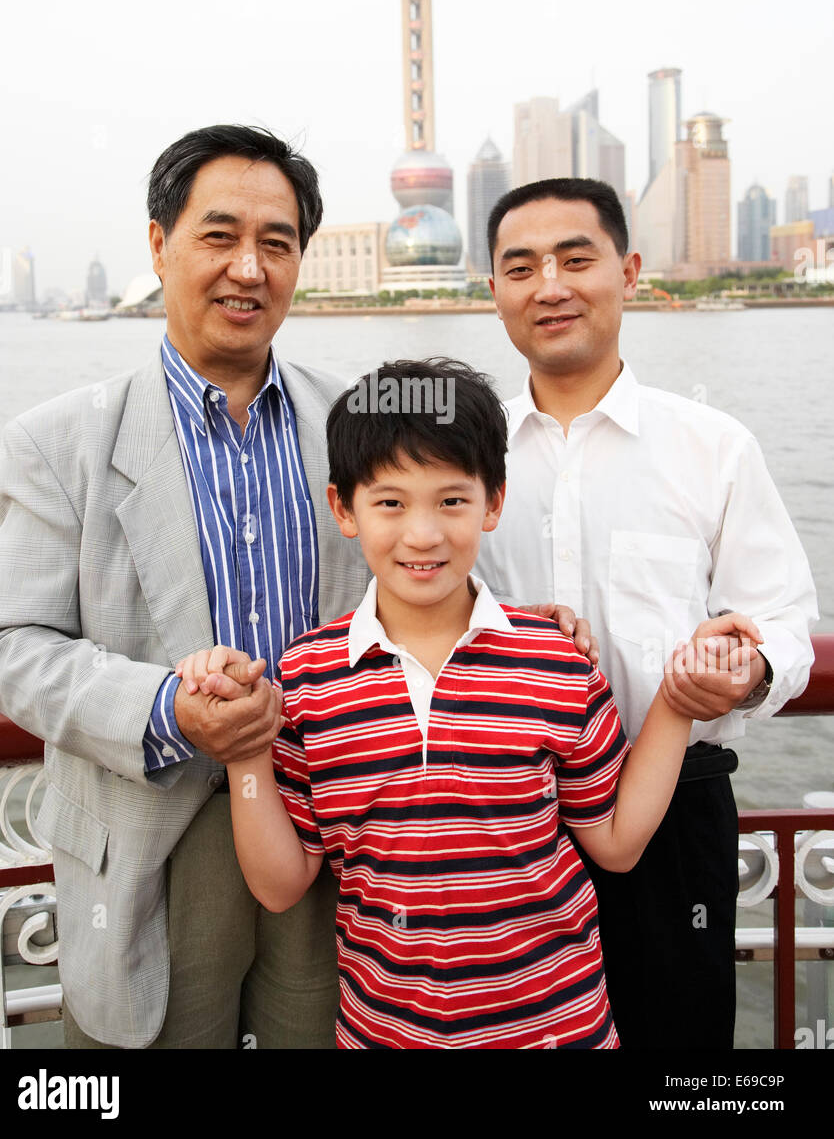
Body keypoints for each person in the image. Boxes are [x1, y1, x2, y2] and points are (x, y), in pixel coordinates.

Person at [193, 358, 750, 1049]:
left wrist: (677, 698)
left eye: (452, 501)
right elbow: (281, 885)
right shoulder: (307, 677)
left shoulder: (554, 659)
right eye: (390, 503)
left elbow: (617, 841)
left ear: (493, 503)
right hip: (384, 1035)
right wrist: (244, 748)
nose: (423, 534)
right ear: (343, 508)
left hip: (560, 1031)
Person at [0, 124, 377, 1049]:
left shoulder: (358, 421)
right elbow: (10, 648)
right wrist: (168, 710)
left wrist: (520, 620)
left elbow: (424, 579)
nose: (248, 268)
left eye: (277, 243)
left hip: (334, 836)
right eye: (218, 236)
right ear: (159, 245)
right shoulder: (60, 442)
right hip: (152, 838)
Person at [474, 177, 818, 1049]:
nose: (550, 286)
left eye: (576, 259)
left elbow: (782, 620)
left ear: (628, 272)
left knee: (680, 1048)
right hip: (506, 813)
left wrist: (745, 672)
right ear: (495, 291)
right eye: (522, 267)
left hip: (675, 811)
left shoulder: (712, 446)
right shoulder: (465, 460)